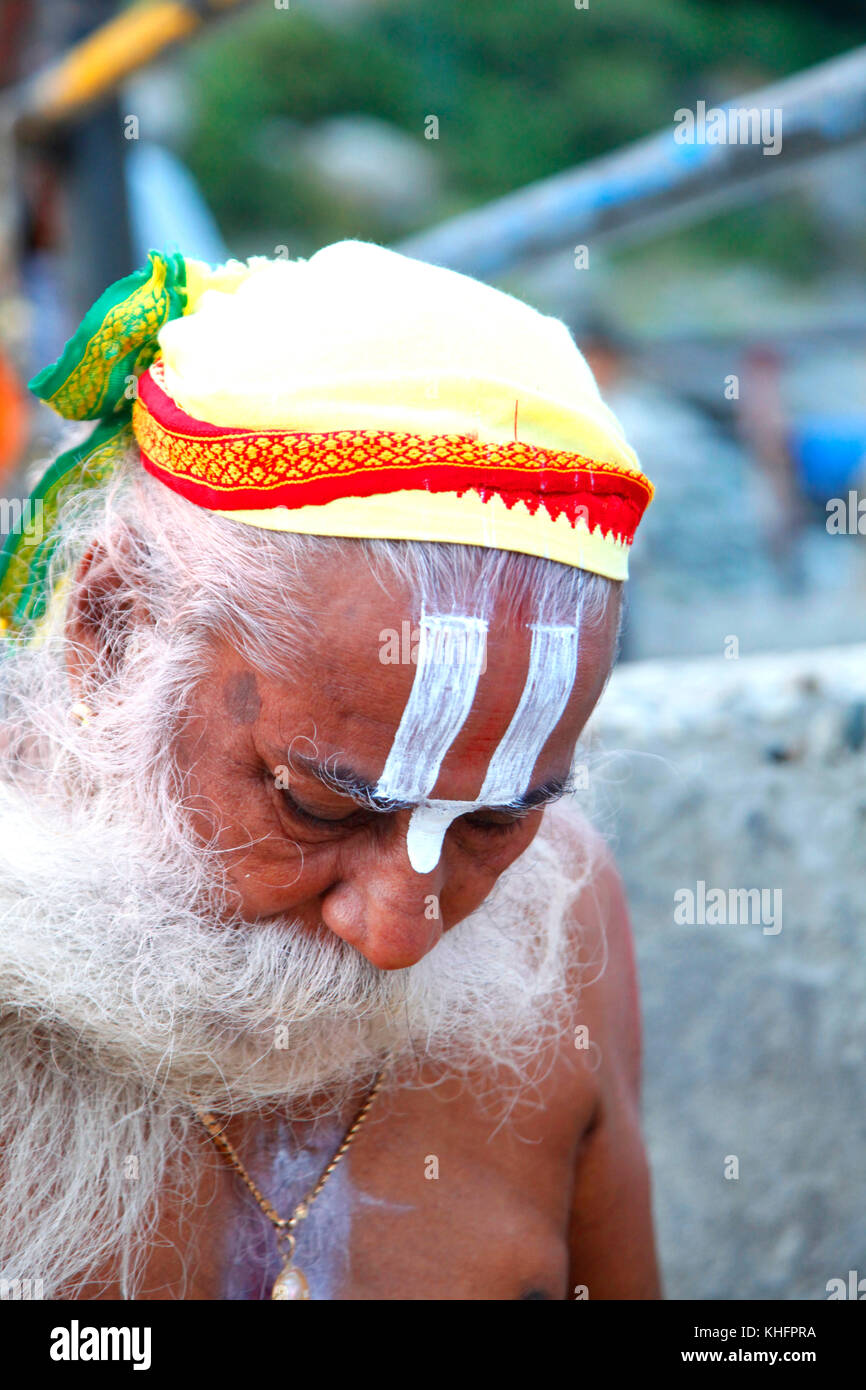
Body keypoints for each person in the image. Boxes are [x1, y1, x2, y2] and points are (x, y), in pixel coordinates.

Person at [0, 240, 659, 1300]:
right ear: (113, 631)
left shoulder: (564, 916)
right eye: (318, 804)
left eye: (494, 824)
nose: (402, 932)